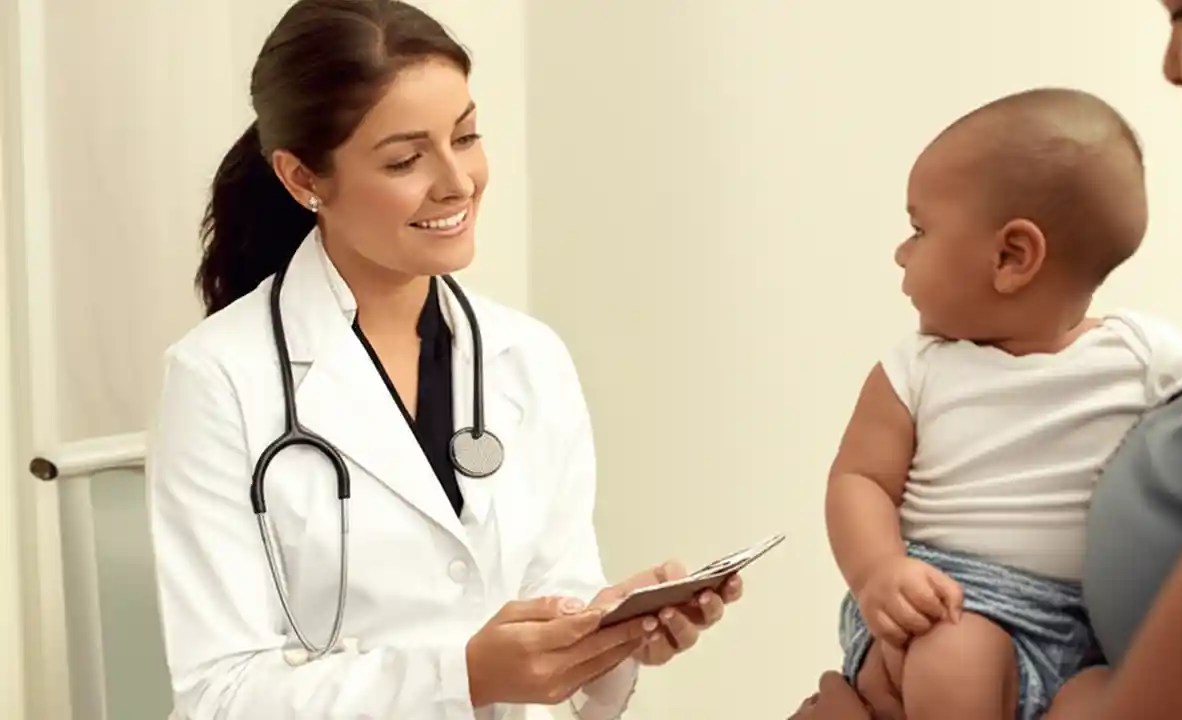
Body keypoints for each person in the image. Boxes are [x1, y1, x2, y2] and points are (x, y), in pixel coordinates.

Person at [145, 2, 741, 718]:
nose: (457, 181)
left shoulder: (529, 358)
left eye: (466, 136)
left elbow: (559, 608)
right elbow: (220, 695)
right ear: (305, 179)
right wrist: (460, 677)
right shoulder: (218, 378)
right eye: (405, 159)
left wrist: (611, 636)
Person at [794, 0, 1182, 717]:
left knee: (1093, 695)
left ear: (1012, 256)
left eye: (918, 229)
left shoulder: (1142, 353)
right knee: (955, 655)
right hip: (950, 596)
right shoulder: (917, 369)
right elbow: (859, 478)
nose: (901, 251)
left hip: (1078, 634)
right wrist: (880, 573)